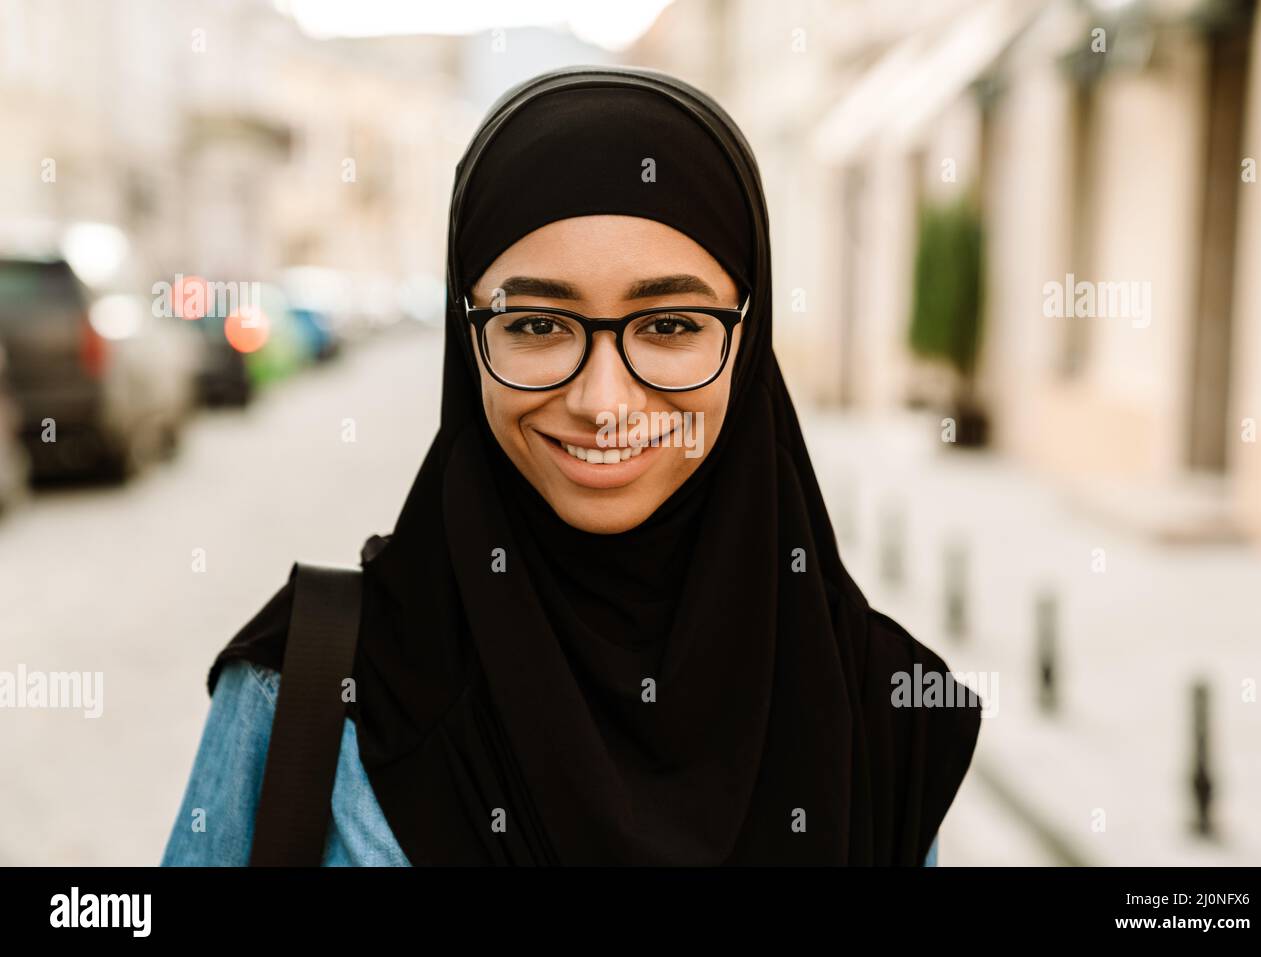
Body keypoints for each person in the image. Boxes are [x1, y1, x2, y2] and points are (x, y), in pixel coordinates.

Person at [162, 64, 980, 867]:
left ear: (747, 338)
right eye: (538, 325)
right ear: (467, 338)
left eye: (667, 325)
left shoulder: (875, 709)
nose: (601, 399)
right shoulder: (314, 688)